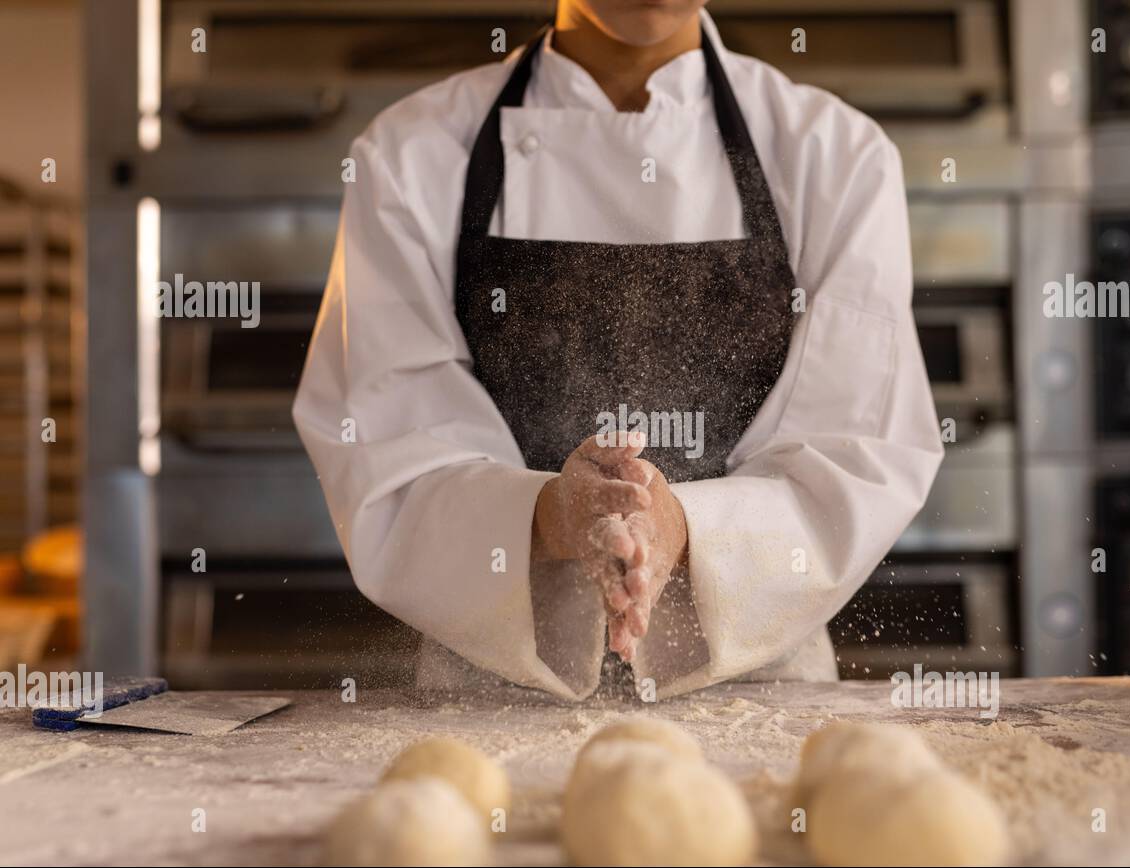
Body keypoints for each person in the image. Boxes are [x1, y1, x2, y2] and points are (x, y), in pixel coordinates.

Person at [293, 0, 943, 700]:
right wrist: (551, 515)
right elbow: (389, 452)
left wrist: (683, 529)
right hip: (491, 705)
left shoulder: (836, 157)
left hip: (757, 696)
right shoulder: (408, 158)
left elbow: (854, 454)